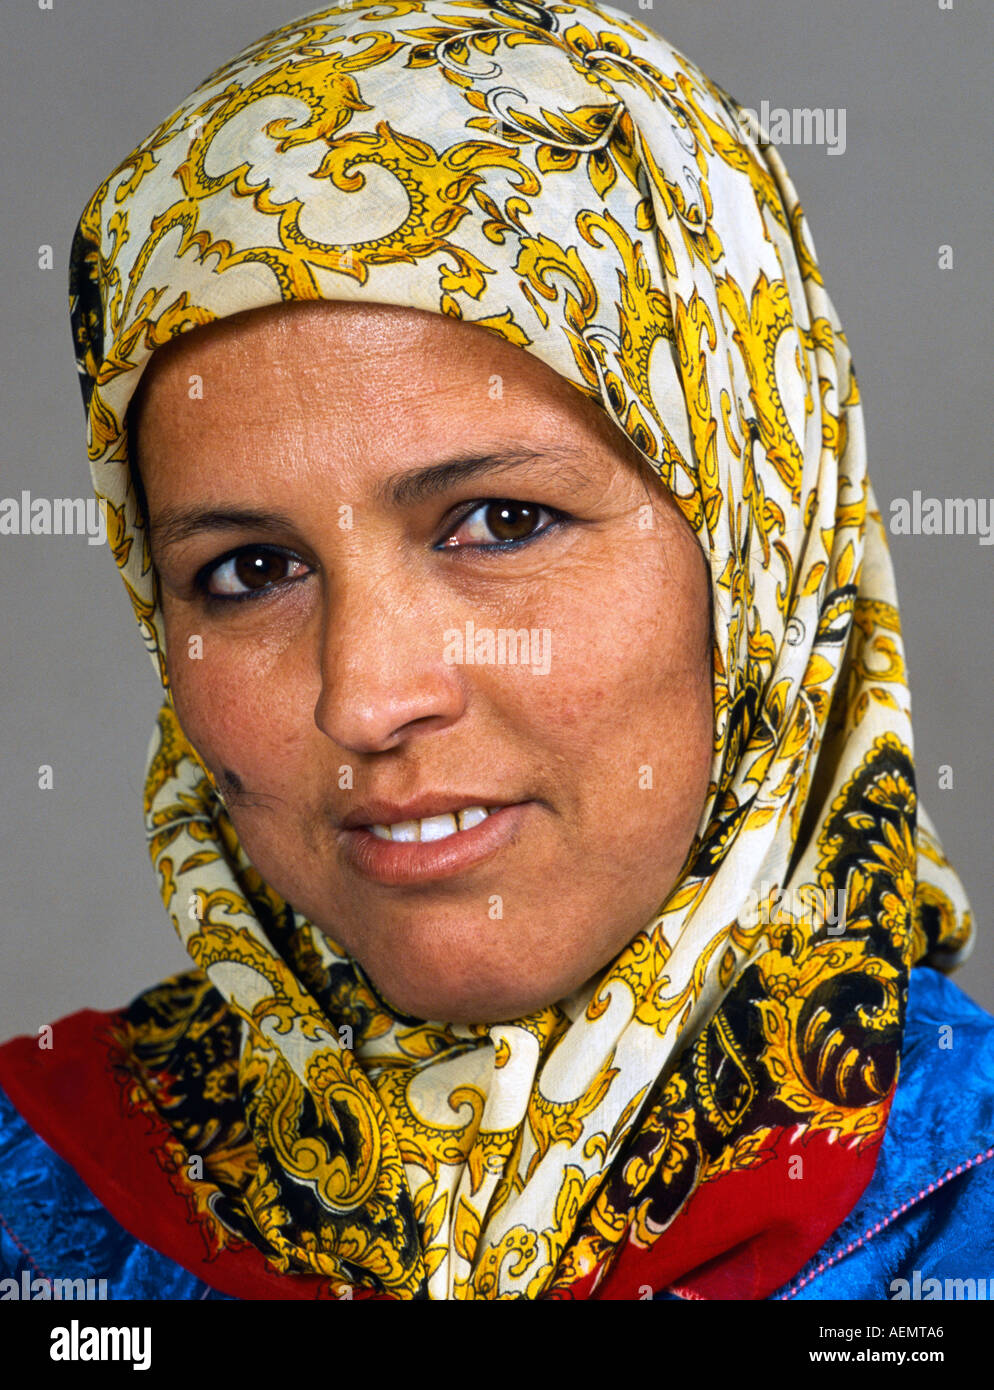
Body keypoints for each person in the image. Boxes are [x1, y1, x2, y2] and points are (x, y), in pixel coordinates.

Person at [1, 0, 991, 1302]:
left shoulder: (949, 1214)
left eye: (498, 523)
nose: (366, 696)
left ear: (758, 551)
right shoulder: (45, 1203)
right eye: (249, 571)